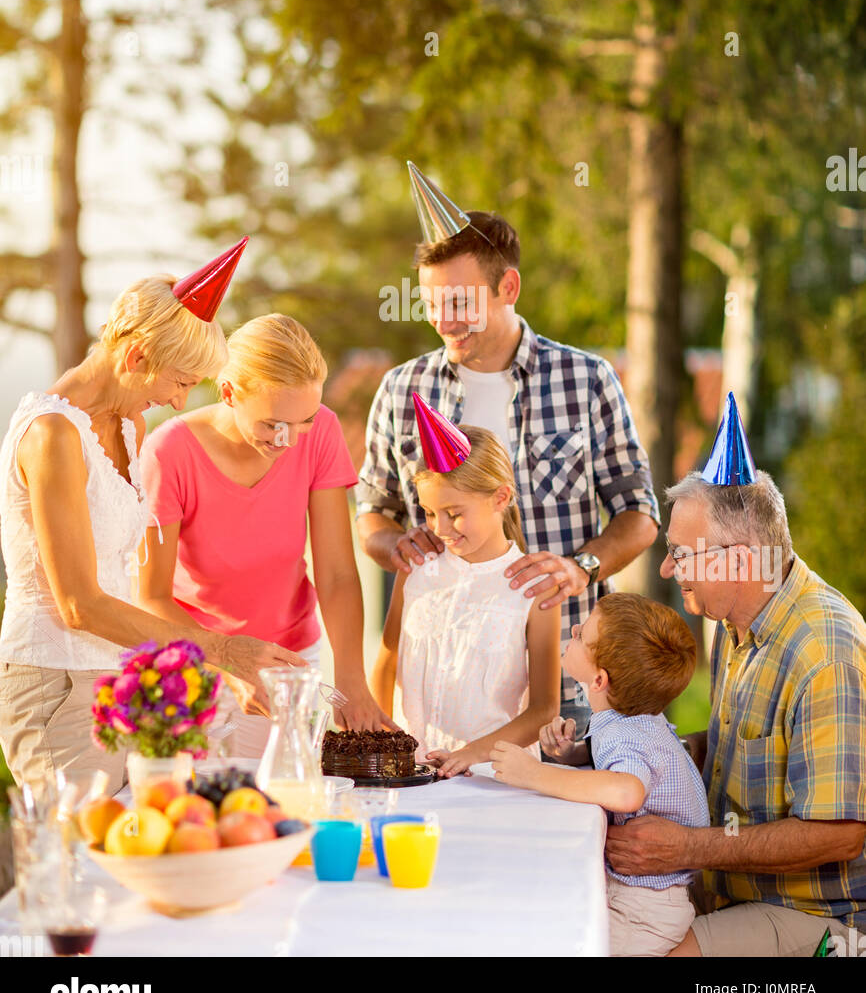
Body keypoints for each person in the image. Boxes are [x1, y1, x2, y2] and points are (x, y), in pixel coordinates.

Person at [357, 163, 659, 736]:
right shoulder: (401, 389)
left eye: (460, 303)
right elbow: (371, 513)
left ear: (508, 288)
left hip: (573, 684)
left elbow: (640, 516)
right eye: (432, 304)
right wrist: (397, 543)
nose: (445, 322)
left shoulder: (587, 379)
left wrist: (579, 568)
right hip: (441, 694)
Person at [0, 241, 297, 791]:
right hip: (56, 681)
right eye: (181, 382)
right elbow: (79, 605)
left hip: (120, 679)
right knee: (83, 853)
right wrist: (224, 652)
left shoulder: (129, 429)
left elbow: (125, 583)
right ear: (137, 358)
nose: (182, 402)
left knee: (149, 839)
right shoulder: (53, 435)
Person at [605, 396, 866, 958]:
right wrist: (636, 752)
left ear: (739, 561)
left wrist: (687, 849)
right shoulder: (732, 621)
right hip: (732, 890)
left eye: (680, 553)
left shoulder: (826, 653)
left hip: (820, 916)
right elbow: (726, 754)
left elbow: (841, 833)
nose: (669, 569)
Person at [138, 313, 393, 759]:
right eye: (274, 424)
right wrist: (225, 661)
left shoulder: (322, 433)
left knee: (288, 805)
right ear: (230, 392)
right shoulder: (169, 452)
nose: (290, 441)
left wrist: (352, 678)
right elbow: (152, 596)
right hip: (196, 661)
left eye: (304, 421)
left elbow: (335, 573)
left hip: (290, 662)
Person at [492, 593, 709, 956]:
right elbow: (625, 769)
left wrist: (533, 773)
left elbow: (628, 791)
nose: (573, 628)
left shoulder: (624, 733)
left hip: (643, 908)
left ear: (599, 680)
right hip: (651, 898)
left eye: (581, 635)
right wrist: (572, 754)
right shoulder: (635, 717)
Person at [370, 396, 561, 773]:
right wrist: (382, 742)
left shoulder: (536, 586)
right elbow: (386, 661)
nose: (439, 528)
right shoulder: (416, 568)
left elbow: (544, 709)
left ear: (500, 498)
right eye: (428, 512)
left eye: (454, 514)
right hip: (413, 771)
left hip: (493, 777)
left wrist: (471, 754)